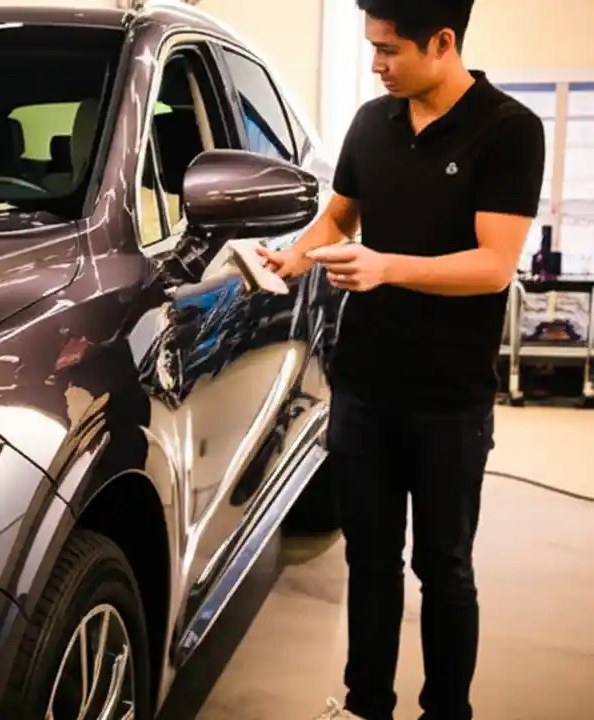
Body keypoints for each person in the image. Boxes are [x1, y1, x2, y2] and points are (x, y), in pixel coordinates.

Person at [258, 1, 546, 719]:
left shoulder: (508, 131)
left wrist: (387, 267)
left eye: (389, 49)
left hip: (449, 396)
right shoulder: (370, 123)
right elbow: (340, 215)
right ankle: (366, 705)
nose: (375, 63)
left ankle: (447, 709)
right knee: (370, 561)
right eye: (371, 47)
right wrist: (292, 258)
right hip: (366, 385)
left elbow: (492, 266)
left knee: (443, 568)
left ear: (443, 41)